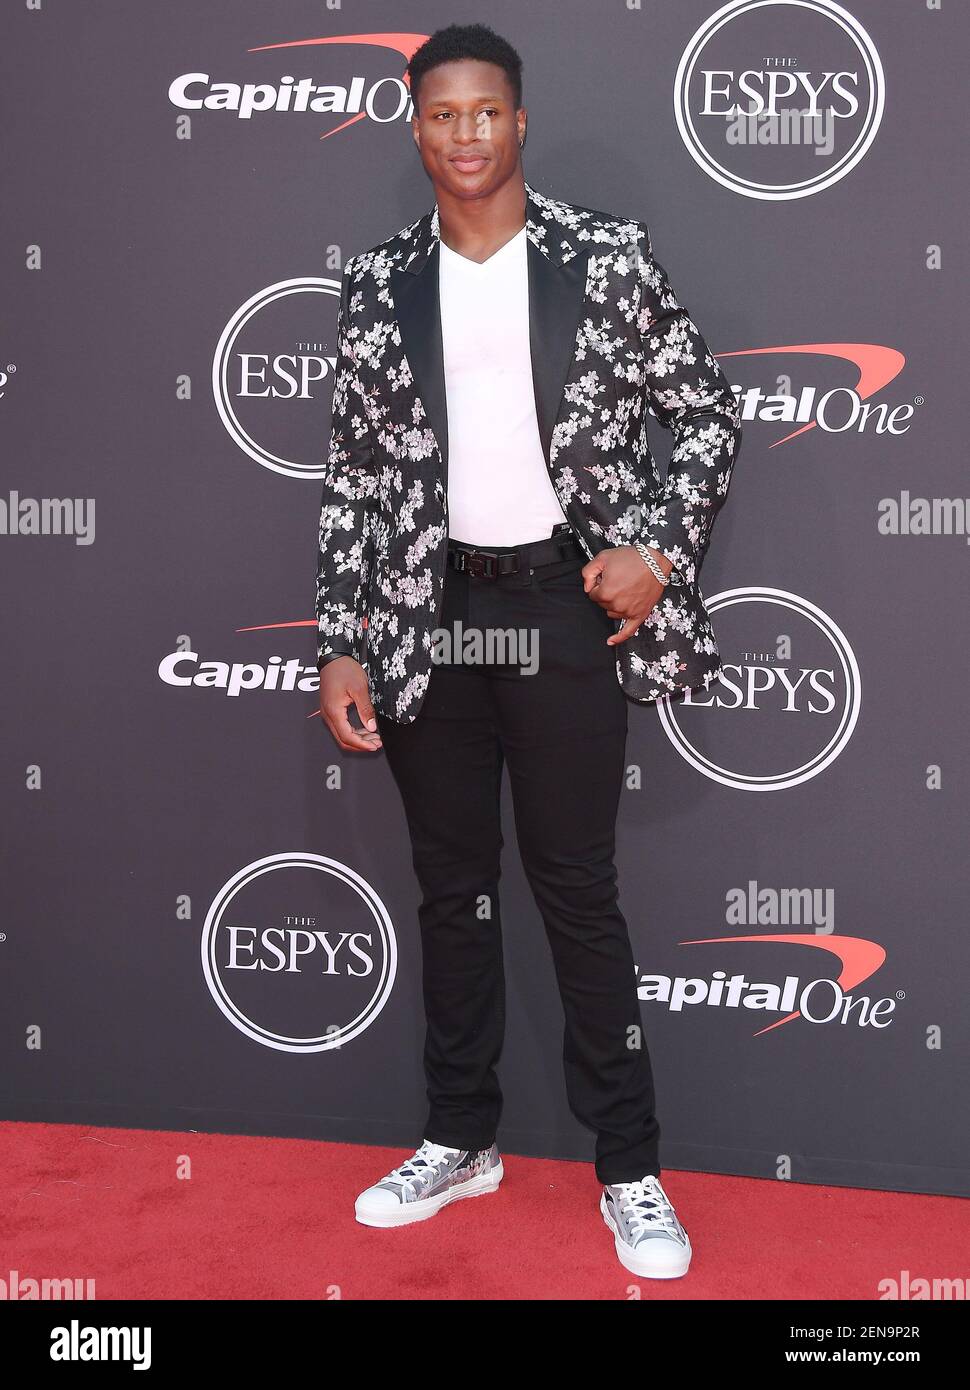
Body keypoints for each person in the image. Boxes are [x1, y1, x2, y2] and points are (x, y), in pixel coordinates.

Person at [315, 22, 742, 1280]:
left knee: (574, 888)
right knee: (451, 891)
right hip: (427, 618)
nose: (463, 134)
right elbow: (351, 476)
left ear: (517, 121)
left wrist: (657, 552)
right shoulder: (376, 280)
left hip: (560, 607)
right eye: (440, 114)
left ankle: (630, 1165)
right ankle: (461, 1138)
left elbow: (707, 411)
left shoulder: (601, 259)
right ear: (414, 124)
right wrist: (344, 641)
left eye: (484, 113)